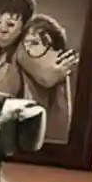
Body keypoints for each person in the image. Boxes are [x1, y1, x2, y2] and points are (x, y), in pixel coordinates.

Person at [16, 13, 78, 142]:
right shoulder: (16, 69)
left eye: (35, 43)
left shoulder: (65, 72)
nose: (29, 48)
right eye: (28, 43)